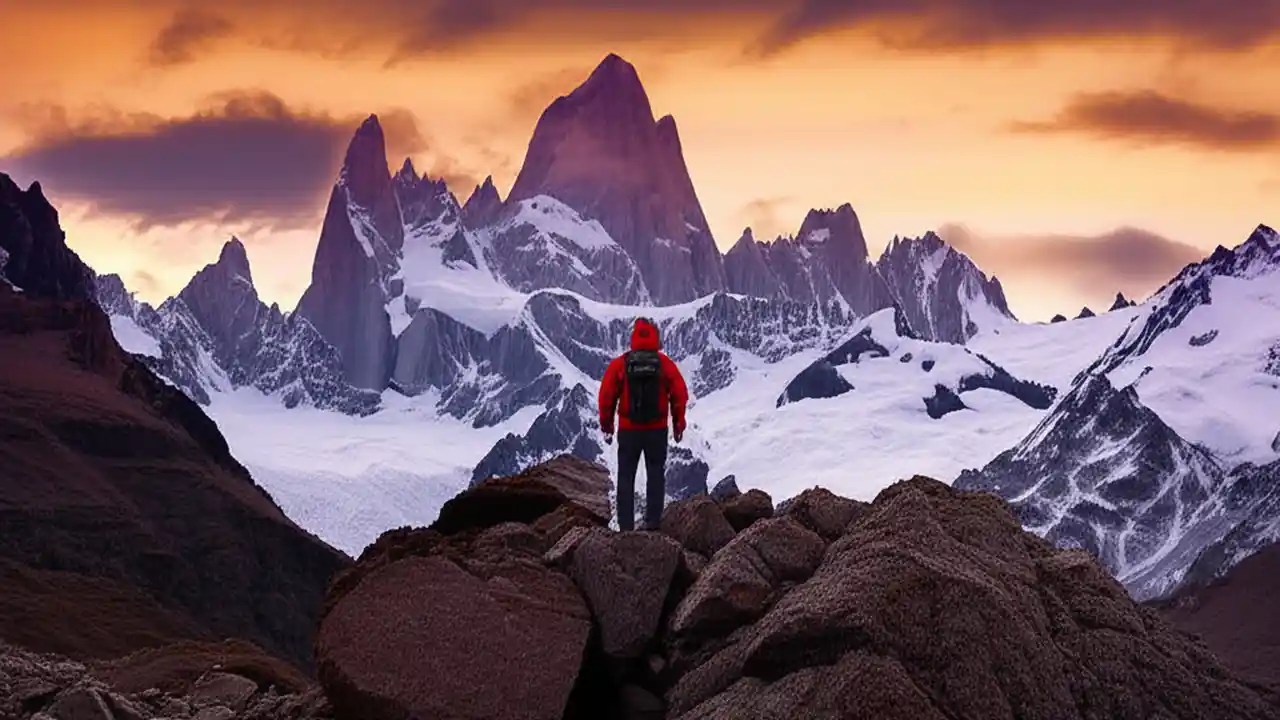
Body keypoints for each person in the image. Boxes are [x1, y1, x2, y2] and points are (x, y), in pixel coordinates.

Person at [598, 317, 689, 531]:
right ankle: (653, 525)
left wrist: (607, 426)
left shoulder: (621, 364)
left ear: (633, 338)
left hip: (629, 431)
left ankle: (625, 529)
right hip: (657, 430)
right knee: (655, 475)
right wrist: (678, 424)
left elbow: (606, 397)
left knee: (625, 477)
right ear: (656, 338)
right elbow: (679, 394)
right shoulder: (664, 364)